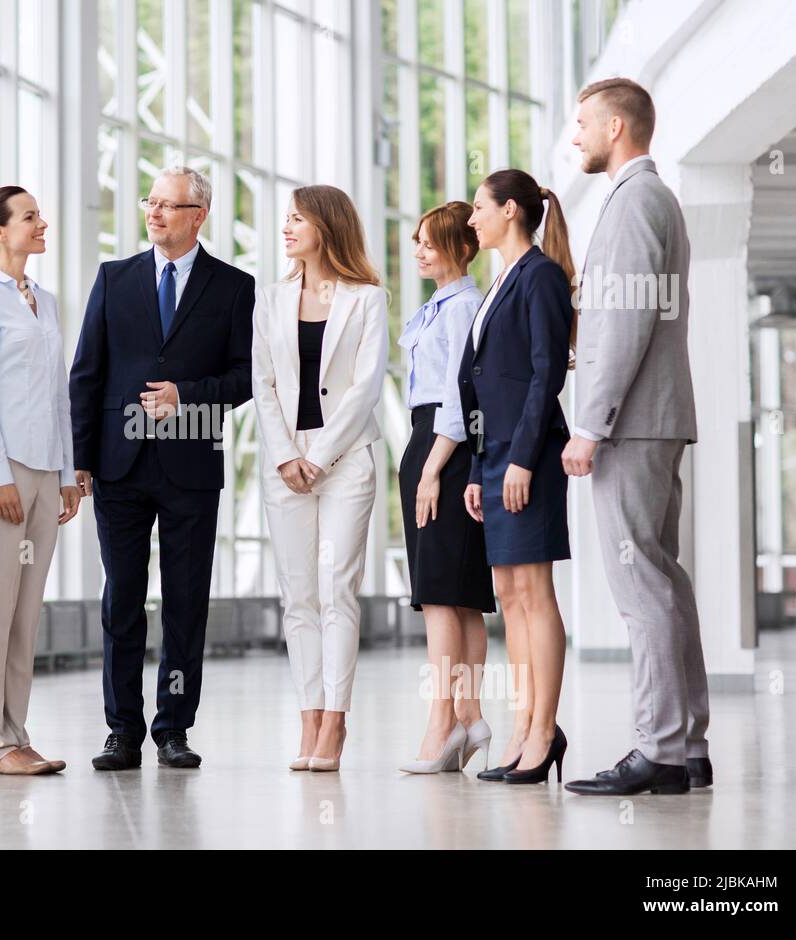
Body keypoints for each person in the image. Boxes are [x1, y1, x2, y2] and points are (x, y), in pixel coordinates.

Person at [69, 166, 254, 771]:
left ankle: (173, 728)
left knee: (184, 602)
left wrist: (187, 394)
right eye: (151, 202)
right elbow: (86, 373)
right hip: (119, 466)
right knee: (121, 599)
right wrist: (81, 460)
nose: (155, 214)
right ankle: (122, 730)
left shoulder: (233, 288)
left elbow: (245, 378)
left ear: (199, 215)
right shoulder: (113, 278)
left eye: (169, 206)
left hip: (191, 465)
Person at [562, 78, 710, 797]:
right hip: (655, 417)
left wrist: (590, 422)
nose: (576, 136)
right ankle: (688, 742)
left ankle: (661, 749)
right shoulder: (655, 199)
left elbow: (624, 325)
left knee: (641, 588)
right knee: (665, 581)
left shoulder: (633, 201)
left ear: (617, 125)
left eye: (584, 123)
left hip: (632, 423)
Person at [251, 185, 387, 772]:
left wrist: (321, 456)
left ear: (326, 226)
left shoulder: (367, 298)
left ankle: (336, 724)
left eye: (297, 219)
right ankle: (308, 719)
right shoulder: (270, 298)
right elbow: (264, 384)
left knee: (336, 589)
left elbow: (365, 387)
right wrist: (286, 455)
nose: (286, 228)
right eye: (286, 219)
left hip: (346, 459)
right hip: (285, 462)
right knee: (298, 595)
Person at [458, 168, 576, 786]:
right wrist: (480, 466)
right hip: (495, 454)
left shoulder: (541, 278)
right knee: (508, 597)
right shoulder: (501, 280)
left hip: (528, 454)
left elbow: (544, 374)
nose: (471, 219)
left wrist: (524, 459)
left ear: (510, 211)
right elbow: (481, 383)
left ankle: (542, 729)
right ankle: (524, 723)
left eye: (479, 208)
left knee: (534, 593)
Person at [0, 186, 79, 775]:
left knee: (26, 613)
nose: (41, 222)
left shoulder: (47, 301)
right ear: (0, 231)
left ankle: (17, 734)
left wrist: (68, 474)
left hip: (44, 474)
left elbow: (60, 395)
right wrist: (0, 478)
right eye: (30, 216)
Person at [395, 202, 495, 774]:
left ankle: (444, 723)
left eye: (431, 243)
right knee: (456, 594)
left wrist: (433, 468)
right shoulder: (436, 306)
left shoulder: (463, 308)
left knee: (442, 594)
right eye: (417, 242)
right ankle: (466, 718)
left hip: (444, 447)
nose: (420, 251)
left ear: (461, 247)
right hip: (426, 441)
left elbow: (460, 397)